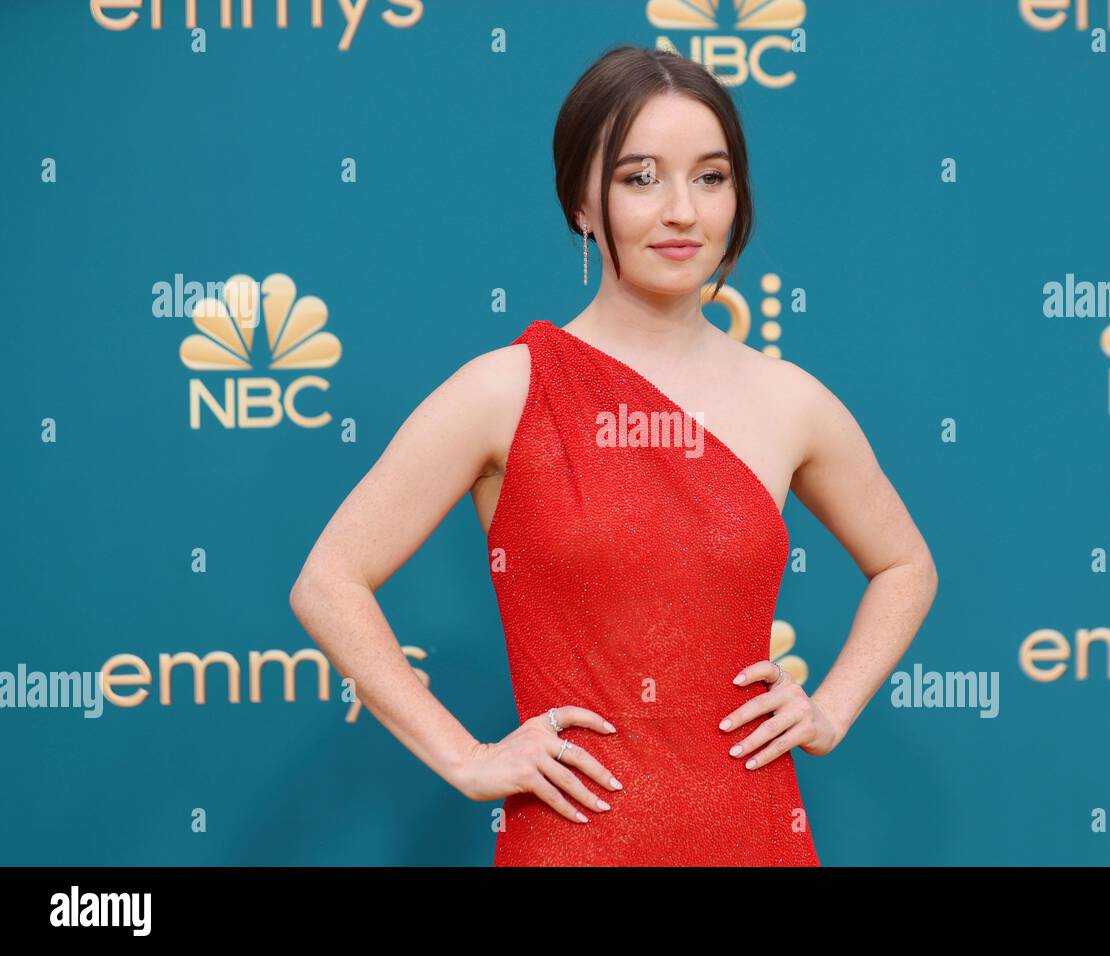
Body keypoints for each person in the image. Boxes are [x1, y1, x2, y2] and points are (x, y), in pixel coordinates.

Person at [289, 45, 938, 866]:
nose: (682, 211)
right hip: (574, 840)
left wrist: (831, 709)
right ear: (581, 205)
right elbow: (329, 582)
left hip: (757, 834)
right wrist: (466, 757)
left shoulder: (791, 402)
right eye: (641, 178)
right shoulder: (506, 391)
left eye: (711, 177)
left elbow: (905, 566)